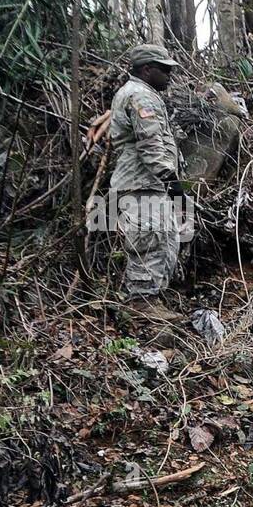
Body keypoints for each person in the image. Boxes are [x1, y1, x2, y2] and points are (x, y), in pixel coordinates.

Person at [109, 43, 185, 322]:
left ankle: (150, 300)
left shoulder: (138, 94)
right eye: (164, 70)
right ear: (147, 69)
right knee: (149, 240)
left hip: (148, 184)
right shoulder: (141, 97)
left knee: (165, 238)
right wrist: (171, 181)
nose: (169, 76)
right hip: (142, 184)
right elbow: (150, 146)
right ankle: (141, 305)